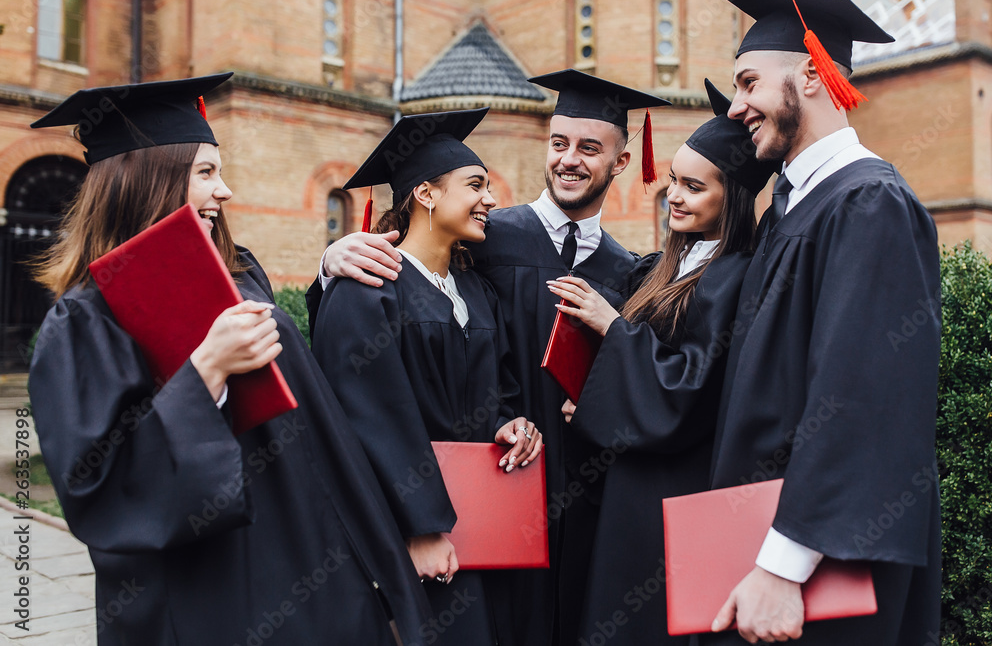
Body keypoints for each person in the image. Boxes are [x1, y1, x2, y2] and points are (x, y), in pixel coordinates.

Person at [27, 73, 433, 645]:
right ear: (149, 181)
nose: (226, 191)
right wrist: (204, 375)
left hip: (322, 565)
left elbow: (305, 394)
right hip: (219, 601)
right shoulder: (86, 323)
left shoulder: (235, 276)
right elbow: (101, 492)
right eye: (206, 173)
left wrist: (327, 268)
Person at [310, 70, 670, 645]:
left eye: (589, 148)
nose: (569, 159)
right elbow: (370, 370)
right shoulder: (486, 239)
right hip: (483, 508)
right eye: (558, 143)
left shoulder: (628, 272)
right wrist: (331, 262)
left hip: (587, 510)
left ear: (621, 163)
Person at [702, 0, 942, 645]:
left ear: (810, 73)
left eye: (749, 82)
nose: (735, 106)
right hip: (762, 551)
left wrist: (783, 565)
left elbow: (863, 396)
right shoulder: (793, 209)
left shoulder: (870, 204)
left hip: (819, 570)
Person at [548, 80, 777, 645]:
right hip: (634, 483)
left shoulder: (732, 277)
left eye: (694, 187)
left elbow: (691, 388)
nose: (674, 195)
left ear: (734, 198)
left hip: (670, 492)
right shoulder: (668, 265)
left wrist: (611, 326)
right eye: (674, 179)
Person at [310, 107, 545, 646]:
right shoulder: (367, 289)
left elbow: (499, 391)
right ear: (426, 194)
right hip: (411, 534)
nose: (490, 199)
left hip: (481, 524)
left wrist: (511, 424)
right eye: (475, 185)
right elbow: (369, 421)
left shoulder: (476, 292)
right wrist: (419, 528)